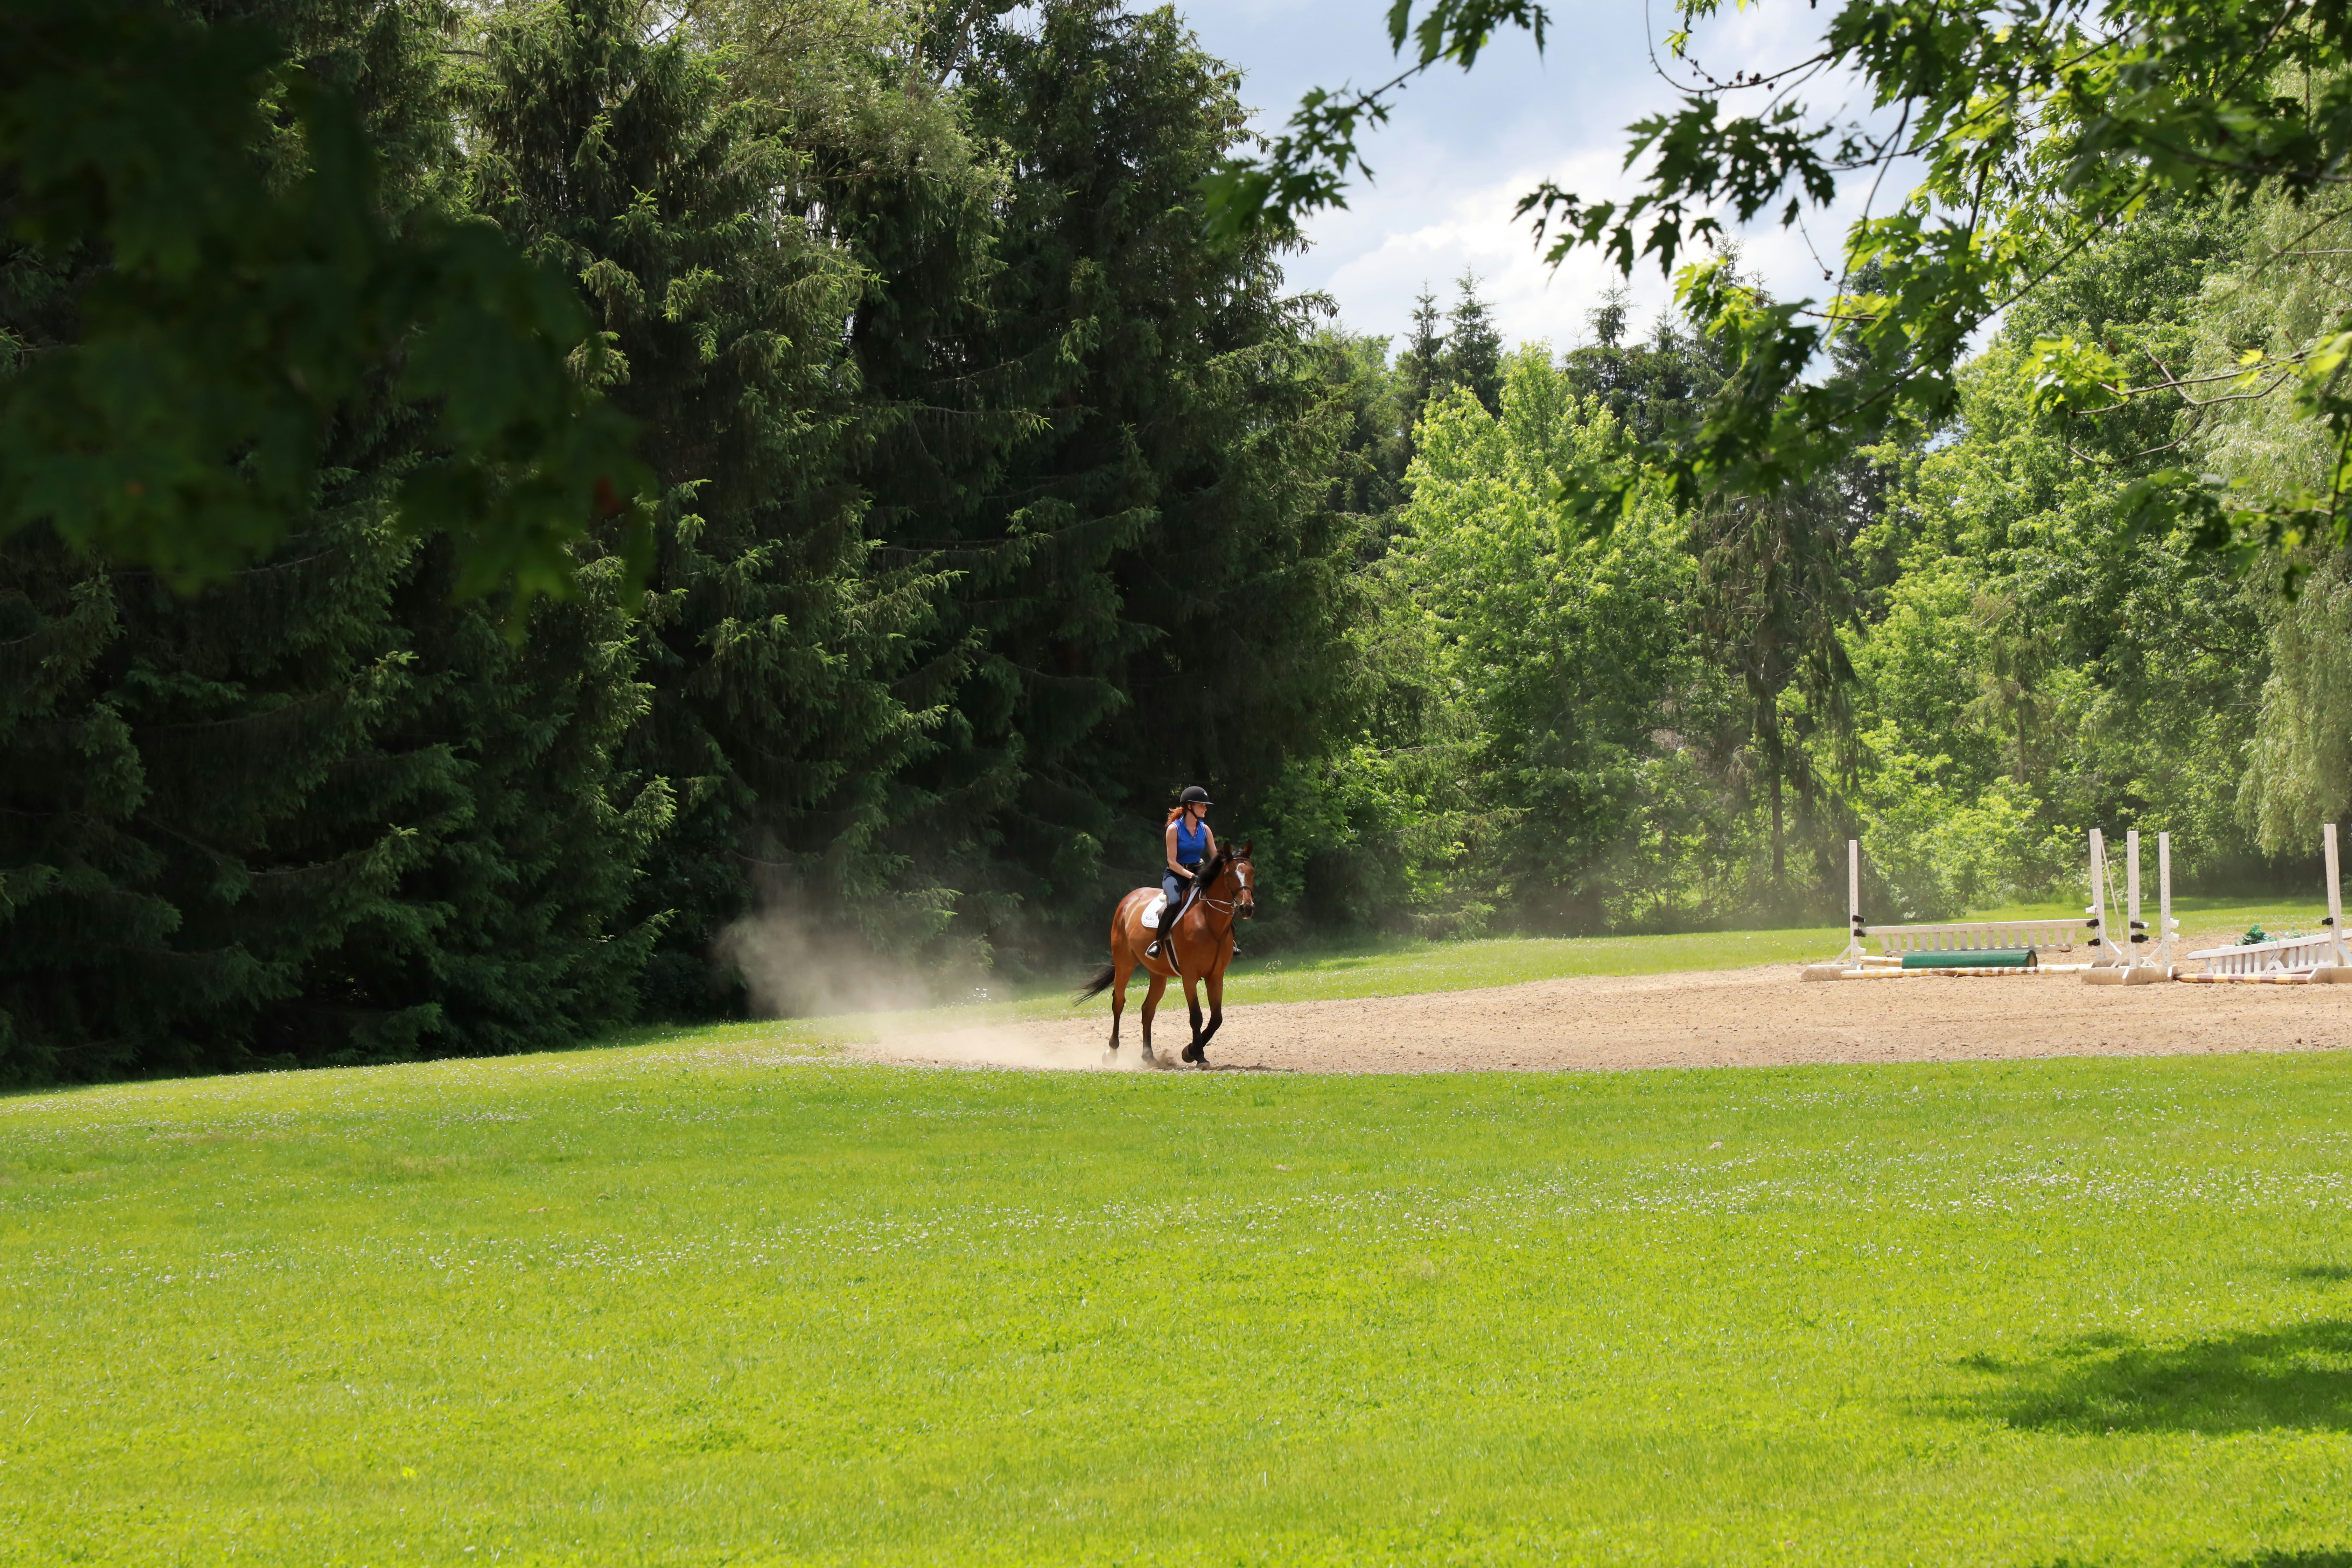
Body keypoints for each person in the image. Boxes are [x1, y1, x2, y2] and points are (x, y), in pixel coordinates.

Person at [1145, 785, 1216, 962]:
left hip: (1199, 869)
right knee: (1175, 902)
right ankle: (1158, 942)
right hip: (1176, 874)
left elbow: (1215, 856)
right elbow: (1173, 863)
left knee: (1221, 896)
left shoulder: (1205, 829)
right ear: (1190, 806)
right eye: (1202, 805)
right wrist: (1192, 877)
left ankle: (1230, 941)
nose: (1206, 808)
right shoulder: (1174, 830)